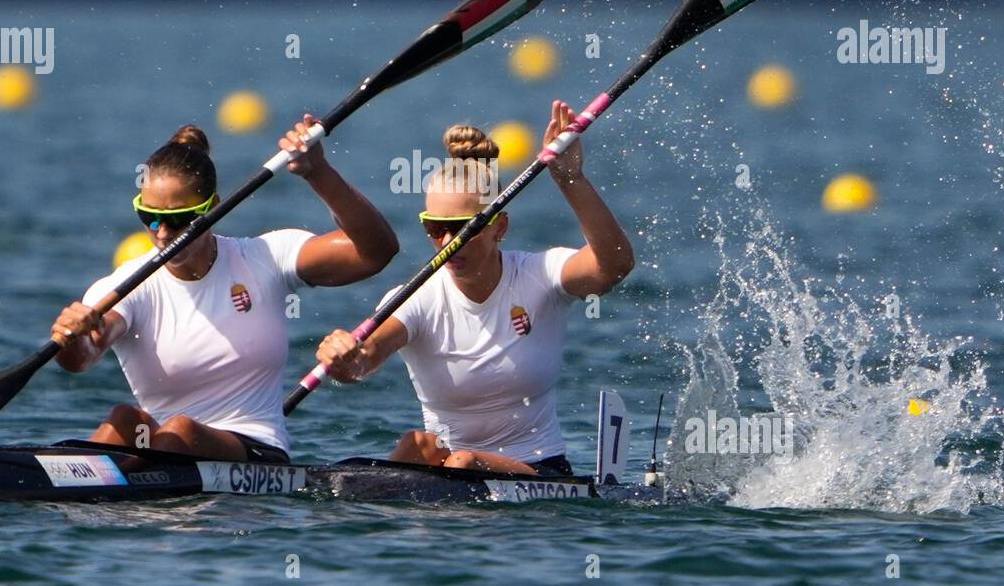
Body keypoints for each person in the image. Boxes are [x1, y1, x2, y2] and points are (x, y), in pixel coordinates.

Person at [52, 118, 399, 462]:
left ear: (213, 208)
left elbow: (375, 251)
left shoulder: (265, 258)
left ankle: (112, 484)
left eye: (177, 219)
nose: (161, 234)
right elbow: (80, 359)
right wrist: (72, 338)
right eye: (150, 218)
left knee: (182, 430)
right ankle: (74, 480)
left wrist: (318, 171)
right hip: (161, 447)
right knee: (126, 419)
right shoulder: (125, 286)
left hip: (254, 450)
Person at [316, 100, 635, 475]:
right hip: (448, 467)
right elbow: (365, 359)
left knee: (462, 459)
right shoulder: (417, 297)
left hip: (538, 469)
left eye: (464, 229)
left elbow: (614, 265)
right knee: (417, 445)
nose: (448, 241)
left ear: (499, 227)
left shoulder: (540, 275)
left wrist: (571, 180)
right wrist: (342, 357)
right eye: (436, 229)